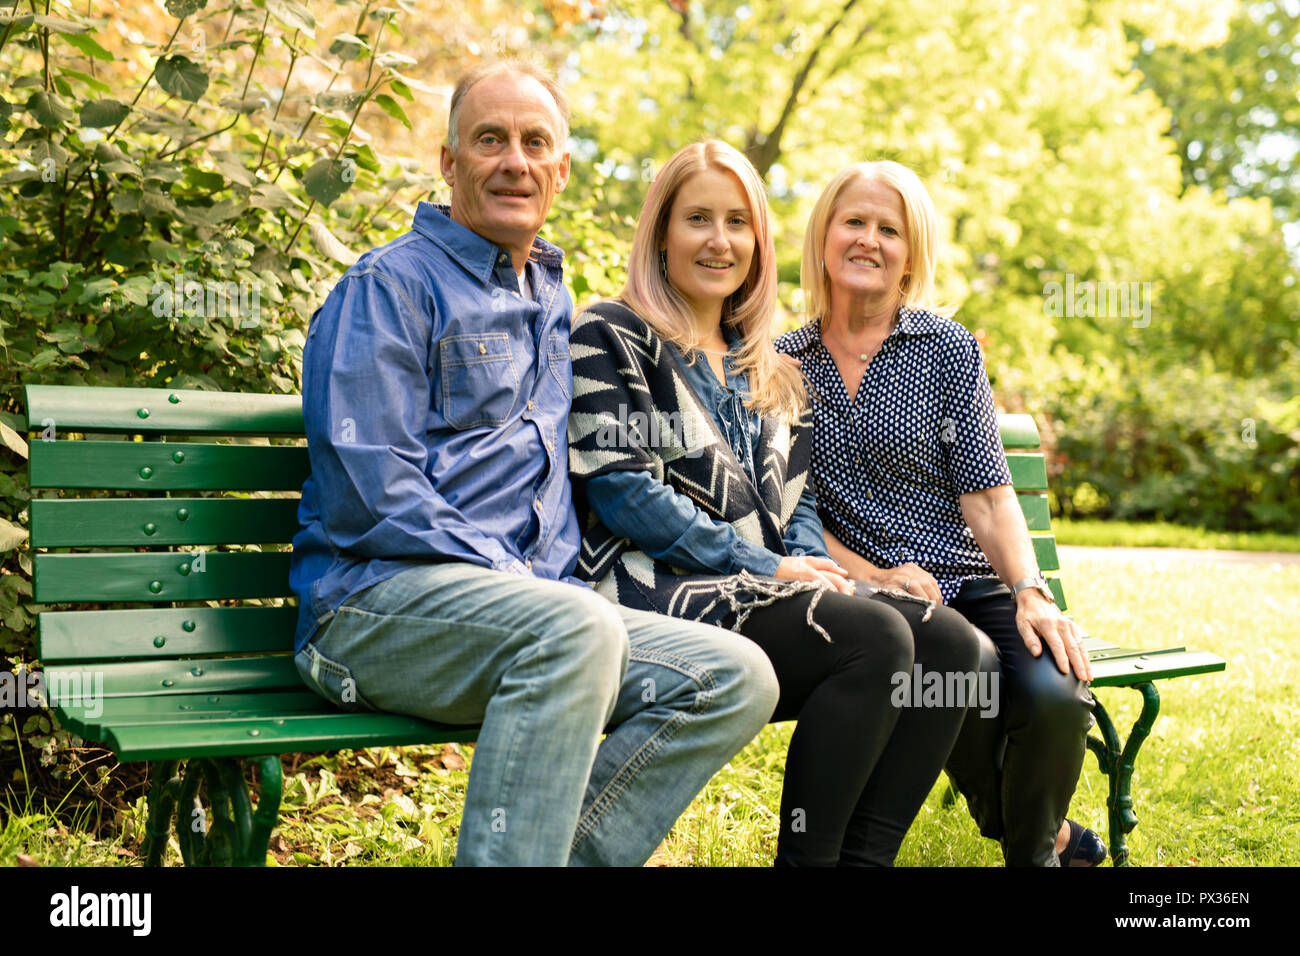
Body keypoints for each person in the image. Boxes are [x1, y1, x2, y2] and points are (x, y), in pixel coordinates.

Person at [288, 63, 780, 867]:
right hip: (372, 610)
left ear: (560, 170)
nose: (515, 160)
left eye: (535, 143)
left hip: (534, 618)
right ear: (449, 163)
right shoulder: (390, 288)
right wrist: (520, 584)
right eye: (490, 140)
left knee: (736, 678)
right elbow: (368, 495)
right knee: (573, 624)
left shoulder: (549, 296)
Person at [567, 140, 982, 866]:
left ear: (760, 242)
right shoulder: (609, 335)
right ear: (662, 232)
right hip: (658, 592)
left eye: (738, 222)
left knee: (953, 645)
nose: (719, 240)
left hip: (766, 592)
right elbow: (623, 489)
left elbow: (801, 505)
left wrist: (823, 569)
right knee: (876, 641)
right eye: (698, 218)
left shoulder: (768, 365)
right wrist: (766, 564)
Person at [774, 160, 1102, 867]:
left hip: (968, 579)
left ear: (911, 252)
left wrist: (1030, 592)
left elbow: (987, 493)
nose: (869, 240)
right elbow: (791, 504)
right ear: (824, 237)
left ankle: (1034, 843)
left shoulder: (945, 349)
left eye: (889, 229)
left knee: (1056, 691)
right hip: (866, 592)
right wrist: (878, 573)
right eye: (854, 221)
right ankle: (1046, 850)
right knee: (957, 663)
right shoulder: (782, 363)